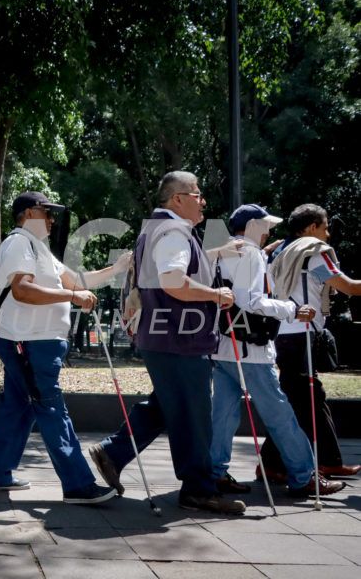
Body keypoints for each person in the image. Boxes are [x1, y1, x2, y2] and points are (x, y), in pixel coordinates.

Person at [88, 171, 247, 515]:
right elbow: (173, 281)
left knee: (166, 405)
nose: (203, 200)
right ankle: (198, 490)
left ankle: (113, 452)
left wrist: (216, 253)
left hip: (165, 336)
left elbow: (172, 269)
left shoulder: (158, 229)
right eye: (197, 193)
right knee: (193, 415)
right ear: (178, 199)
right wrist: (216, 294)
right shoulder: (174, 232)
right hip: (179, 338)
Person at [0, 191, 127, 504]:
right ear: (28, 213)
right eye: (46, 212)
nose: (51, 219)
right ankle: (77, 484)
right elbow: (22, 290)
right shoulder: (19, 243)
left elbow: (77, 281)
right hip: (28, 342)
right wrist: (72, 298)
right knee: (51, 408)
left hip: (33, 342)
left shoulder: (39, 248)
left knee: (17, 408)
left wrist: (117, 268)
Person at [208, 204, 345, 498]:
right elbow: (253, 300)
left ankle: (213, 473)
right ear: (254, 226)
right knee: (281, 415)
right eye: (266, 224)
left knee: (223, 415)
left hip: (223, 345)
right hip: (252, 349)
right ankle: (303, 476)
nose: (270, 229)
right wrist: (292, 309)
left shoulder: (222, 252)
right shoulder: (252, 254)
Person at [259, 204, 361, 479]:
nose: (327, 235)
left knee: (307, 398)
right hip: (302, 333)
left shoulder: (279, 251)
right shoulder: (313, 254)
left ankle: (321, 460)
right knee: (302, 399)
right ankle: (272, 463)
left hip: (282, 333)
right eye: (325, 227)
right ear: (311, 227)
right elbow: (349, 287)